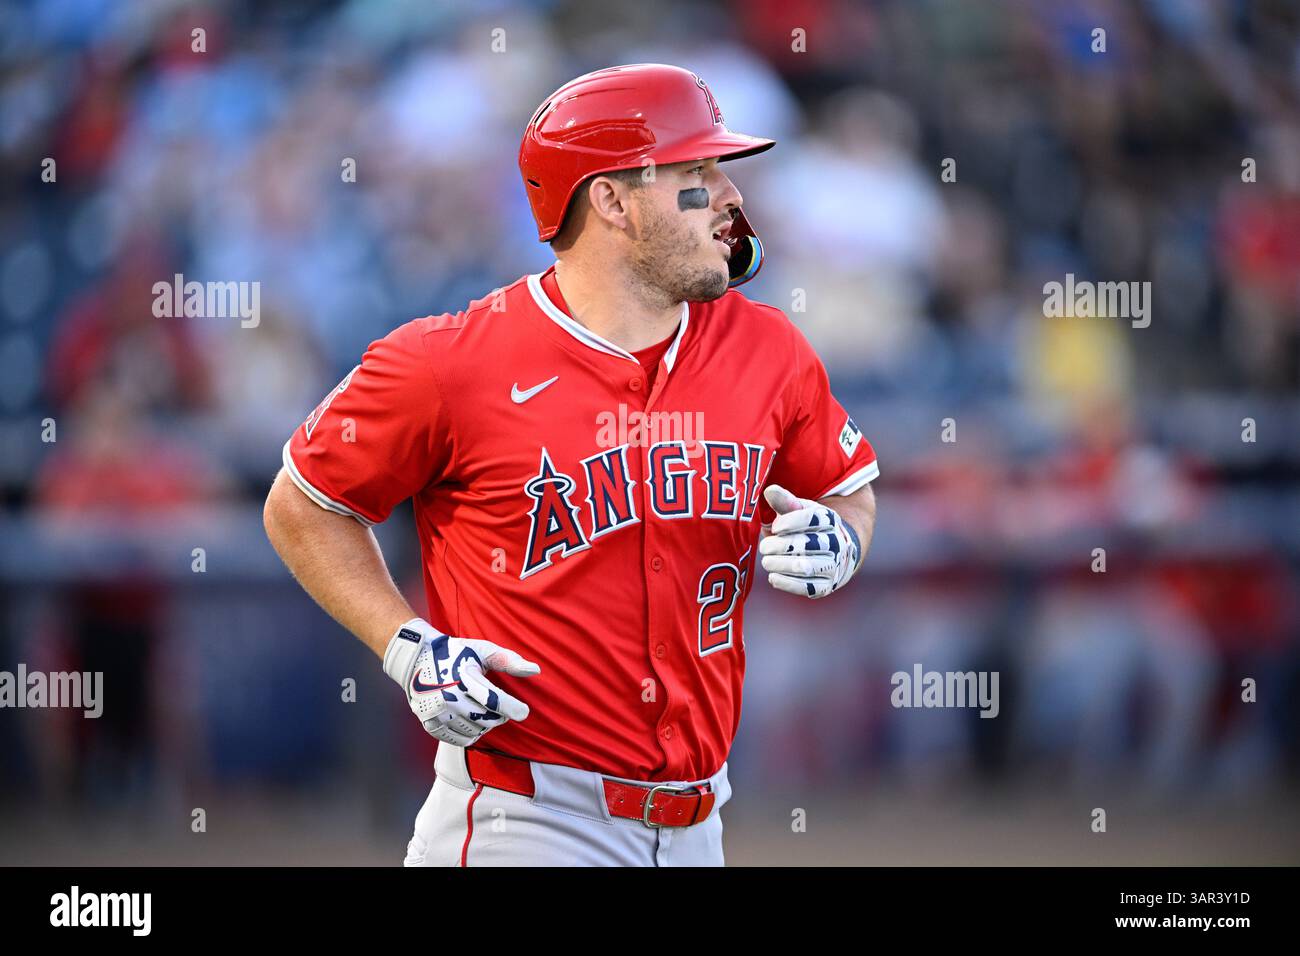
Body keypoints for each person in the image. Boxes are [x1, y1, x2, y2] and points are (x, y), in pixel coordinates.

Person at [263, 64, 879, 866]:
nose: (729, 196)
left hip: (701, 826)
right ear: (612, 200)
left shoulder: (768, 349)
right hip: (526, 822)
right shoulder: (449, 362)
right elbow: (302, 502)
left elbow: (849, 493)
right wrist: (404, 644)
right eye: (696, 172)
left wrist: (845, 538)